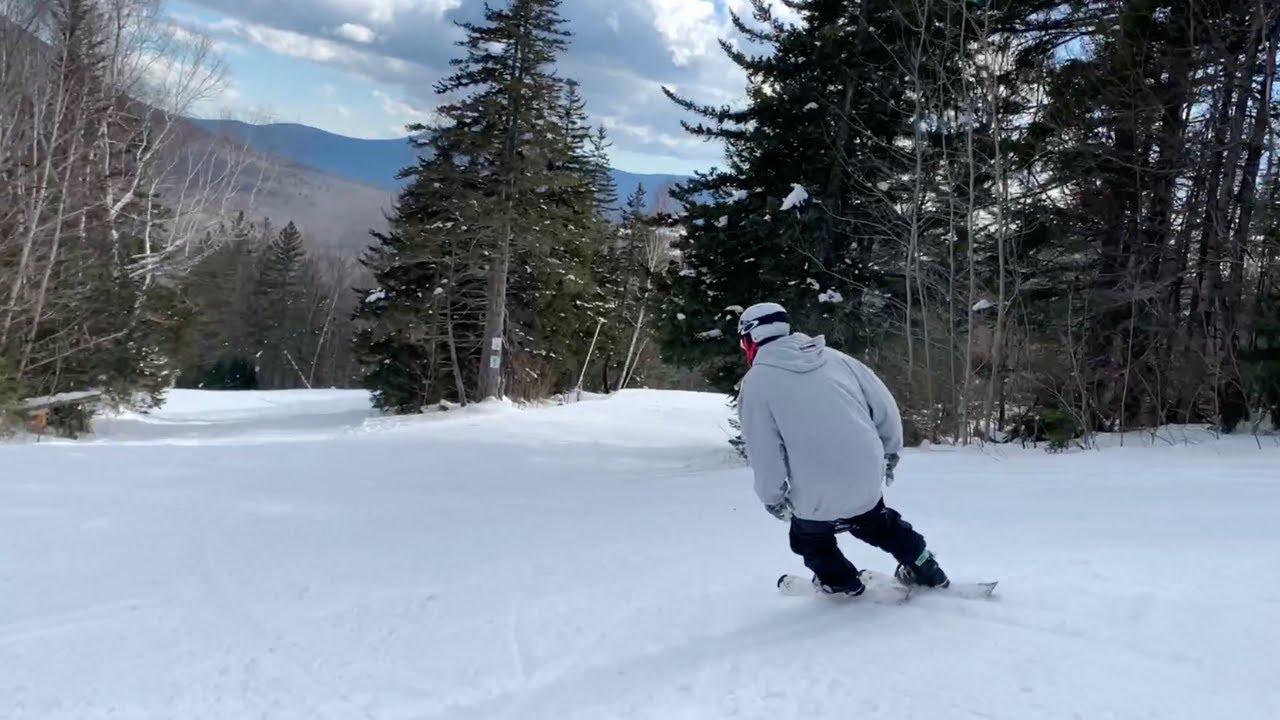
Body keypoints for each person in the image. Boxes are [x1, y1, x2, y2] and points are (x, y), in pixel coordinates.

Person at [735, 301, 949, 595]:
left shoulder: (756, 382)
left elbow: (764, 451)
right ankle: (926, 568)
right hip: (866, 471)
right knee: (878, 524)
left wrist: (772, 497)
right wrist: (890, 452)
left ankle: (840, 583)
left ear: (751, 338)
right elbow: (885, 406)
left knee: (809, 539)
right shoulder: (837, 359)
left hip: (815, 487)